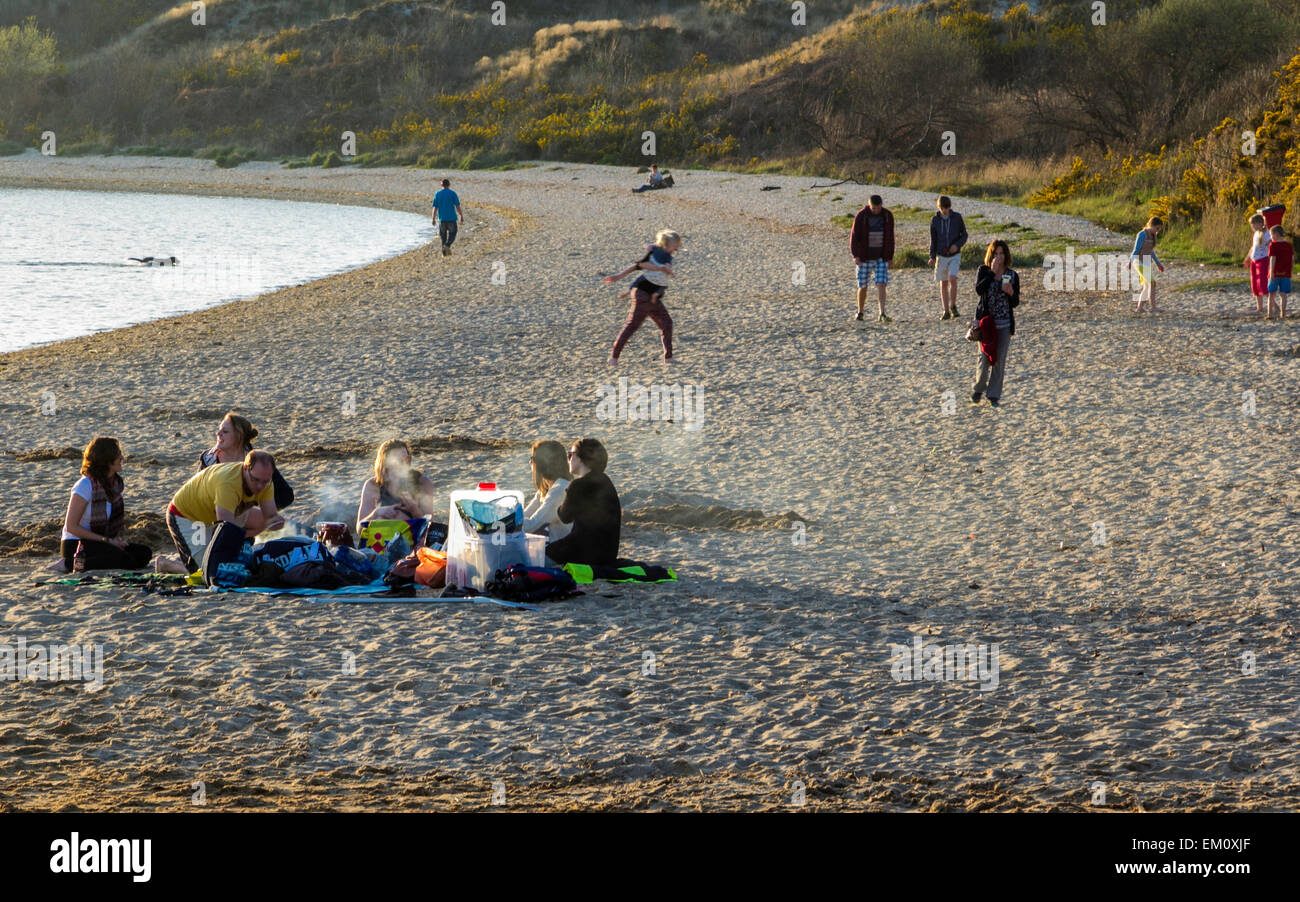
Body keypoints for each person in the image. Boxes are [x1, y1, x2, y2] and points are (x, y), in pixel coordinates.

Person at [167, 451, 283, 574]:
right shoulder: (228, 483)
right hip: (191, 517)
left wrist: (276, 522)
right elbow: (226, 530)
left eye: (265, 481)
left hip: (220, 512)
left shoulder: (265, 482)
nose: (260, 486)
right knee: (206, 571)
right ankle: (166, 564)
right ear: (245, 468)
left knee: (259, 523)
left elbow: (270, 517)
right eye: (255, 480)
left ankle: (216, 549)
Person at [49, 437, 152, 573]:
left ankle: (101, 556)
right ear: (106, 460)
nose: (122, 457)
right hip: (76, 543)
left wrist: (114, 540)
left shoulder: (114, 485)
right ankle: (67, 564)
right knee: (122, 559)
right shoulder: (85, 485)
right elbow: (71, 527)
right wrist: (107, 541)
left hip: (99, 541)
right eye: (118, 455)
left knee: (144, 553)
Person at [603, 229, 681, 365]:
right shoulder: (659, 255)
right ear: (666, 245)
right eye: (675, 245)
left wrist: (620, 278)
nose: (677, 248)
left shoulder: (662, 255)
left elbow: (639, 268)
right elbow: (637, 266)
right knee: (632, 325)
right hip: (643, 294)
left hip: (652, 296)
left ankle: (668, 357)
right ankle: (613, 357)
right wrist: (618, 276)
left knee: (666, 323)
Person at [545, 439, 621, 566]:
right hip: (608, 553)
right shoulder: (606, 481)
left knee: (540, 555)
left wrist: (565, 496)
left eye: (570, 455)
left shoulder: (578, 485)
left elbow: (565, 517)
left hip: (585, 552)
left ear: (581, 459)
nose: (568, 459)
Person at [198, 411, 293, 510]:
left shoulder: (257, 461)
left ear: (239, 436)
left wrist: (259, 510)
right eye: (219, 430)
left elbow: (286, 495)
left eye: (225, 431)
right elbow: (198, 496)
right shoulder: (209, 460)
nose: (218, 434)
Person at [970, 240, 1021, 408]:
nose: (999, 257)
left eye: (1001, 253)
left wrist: (1011, 292)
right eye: (995, 254)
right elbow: (979, 290)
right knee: (983, 359)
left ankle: (993, 395)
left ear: (1006, 256)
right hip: (986, 324)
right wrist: (992, 272)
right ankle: (978, 389)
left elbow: (1015, 302)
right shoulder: (984, 271)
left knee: (999, 361)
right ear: (991, 256)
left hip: (1004, 324)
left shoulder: (1012, 275)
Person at [356, 439, 438, 533]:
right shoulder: (373, 485)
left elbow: (428, 528)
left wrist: (414, 509)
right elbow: (359, 529)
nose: (404, 463)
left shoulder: (423, 483)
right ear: (385, 462)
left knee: (401, 516)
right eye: (398, 460)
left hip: (412, 541)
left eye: (407, 459)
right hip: (381, 541)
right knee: (380, 517)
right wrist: (376, 513)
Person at [850, 194, 895, 322]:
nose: (876, 210)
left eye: (878, 208)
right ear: (869, 205)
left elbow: (891, 237)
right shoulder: (861, 216)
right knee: (863, 285)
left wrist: (890, 256)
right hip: (864, 257)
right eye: (873, 208)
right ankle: (860, 312)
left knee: (881, 283)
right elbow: (854, 237)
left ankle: (882, 313)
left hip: (881, 256)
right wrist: (855, 256)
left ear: (881, 205)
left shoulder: (887, 216)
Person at [522, 440, 572, 540]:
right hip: (557, 547)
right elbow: (525, 515)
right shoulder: (546, 488)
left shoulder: (560, 489)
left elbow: (532, 525)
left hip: (565, 552)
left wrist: (502, 523)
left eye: (532, 458)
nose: (530, 462)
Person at [929, 195, 968, 321]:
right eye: (942, 208)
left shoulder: (957, 218)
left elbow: (964, 235)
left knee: (953, 278)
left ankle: (953, 306)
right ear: (939, 207)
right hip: (941, 256)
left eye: (946, 208)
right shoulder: (935, 220)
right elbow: (933, 240)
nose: (944, 210)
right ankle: (945, 310)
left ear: (950, 207)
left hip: (955, 255)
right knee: (943, 283)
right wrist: (932, 256)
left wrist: (957, 245)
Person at [1129, 216, 1165, 313]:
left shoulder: (1153, 236)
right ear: (1151, 225)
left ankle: (1140, 308)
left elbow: (1151, 251)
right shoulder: (1142, 234)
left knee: (1147, 285)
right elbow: (1136, 250)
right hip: (1139, 261)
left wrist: (1158, 264)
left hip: (1146, 261)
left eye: (1159, 229)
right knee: (1152, 283)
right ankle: (1153, 307)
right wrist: (1130, 262)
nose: (1157, 231)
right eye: (1157, 228)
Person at [1244, 213, 1272, 315]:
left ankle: (1273, 305)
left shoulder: (1266, 233)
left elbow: (1271, 245)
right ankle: (1259, 307)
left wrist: (1271, 259)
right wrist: (1248, 258)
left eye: (1254, 224)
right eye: (1252, 225)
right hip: (1254, 260)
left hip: (1263, 260)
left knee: (1263, 284)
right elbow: (1253, 247)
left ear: (1260, 223)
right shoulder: (1256, 234)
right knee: (1255, 285)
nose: (1253, 227)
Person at [1266, 224, 1292, 321]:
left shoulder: (1273, 245)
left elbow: (1273, 258)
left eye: (1271, 235)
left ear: (1276, 235)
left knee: (1271, 294)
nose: (1271, 238)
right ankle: (1283, 314)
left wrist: (1272, 272)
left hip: (1275, 273)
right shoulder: (1288, 245)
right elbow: (1292, 259)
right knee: (1283, 294)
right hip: (1286, 274)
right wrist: (1290, 271)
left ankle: (1269, 314)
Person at [431, 178, 463, 257]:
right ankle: (448, 245)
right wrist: (461, 215)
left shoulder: (438, 194)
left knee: (443, 237)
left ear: (441, 185)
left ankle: (444, 254)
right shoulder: (452, 193)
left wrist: (433, 218)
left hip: (442, 219)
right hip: (451, 218)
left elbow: (435, 207)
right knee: (453, 233)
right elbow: (457, 206)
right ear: (449, 185)